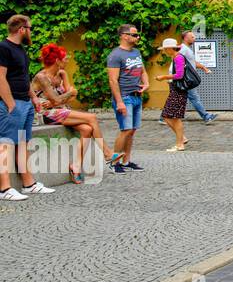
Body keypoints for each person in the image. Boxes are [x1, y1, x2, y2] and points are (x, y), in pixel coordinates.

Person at [31, 43, 120, 183]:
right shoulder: (41, 77)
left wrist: (63, 97)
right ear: (57, 61)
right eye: (65, 58)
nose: (67, 60)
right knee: (92, 117)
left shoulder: (61, 74)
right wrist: (66, 95)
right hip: (45, 115)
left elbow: (72, 97)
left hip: (61, 110)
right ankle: (108, 153)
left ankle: (76, 166)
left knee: (87, 129)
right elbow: (61, 98)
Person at [0, 15, 55, 200]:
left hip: (25, 103)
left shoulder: (21, 50)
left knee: (22, 143)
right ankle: (4, 189)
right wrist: (10, 104)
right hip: (11, 105)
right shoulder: (3, 48)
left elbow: (23, 77)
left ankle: (28, 184)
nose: (31, 31)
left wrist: (34, 98)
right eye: (30, 28)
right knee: (5, 145)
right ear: (22, 29)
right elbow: (0, 78)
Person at [106, 23, 147, 173]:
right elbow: (112, 80)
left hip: (137, 96)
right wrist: (119, 102)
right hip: (124, 97)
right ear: (124, 36)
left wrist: (146, 82)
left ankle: (126, 161)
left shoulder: (136, 52)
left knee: (132, 130)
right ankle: (114, 163)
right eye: (135, 35)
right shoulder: (115, 55)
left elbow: (142, 69)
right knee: (125, 129)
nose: (138, 37)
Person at [166, 31, 217, 125]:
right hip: (182, 79)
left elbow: (192, 63)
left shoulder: (186, 49)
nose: (194, 38)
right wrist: (174, 76)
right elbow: (176, 62)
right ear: (186, 38)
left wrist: (204, 68)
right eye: (192, 37)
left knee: (176, 98)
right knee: (192, 97)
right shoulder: (182, 49)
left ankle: (163, 118)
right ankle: (206, 116)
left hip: (183, 78)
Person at [157, 38, 189, 152]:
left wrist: (164, 77)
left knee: (175, 118)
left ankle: (180, 144)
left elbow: (179, 75)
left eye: (165, 49)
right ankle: (182, 138)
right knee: (166, 116)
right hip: (174, 89)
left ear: (170, 48)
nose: (164, 51)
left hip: (178, 91)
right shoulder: (175, 57)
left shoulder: (178, 57)